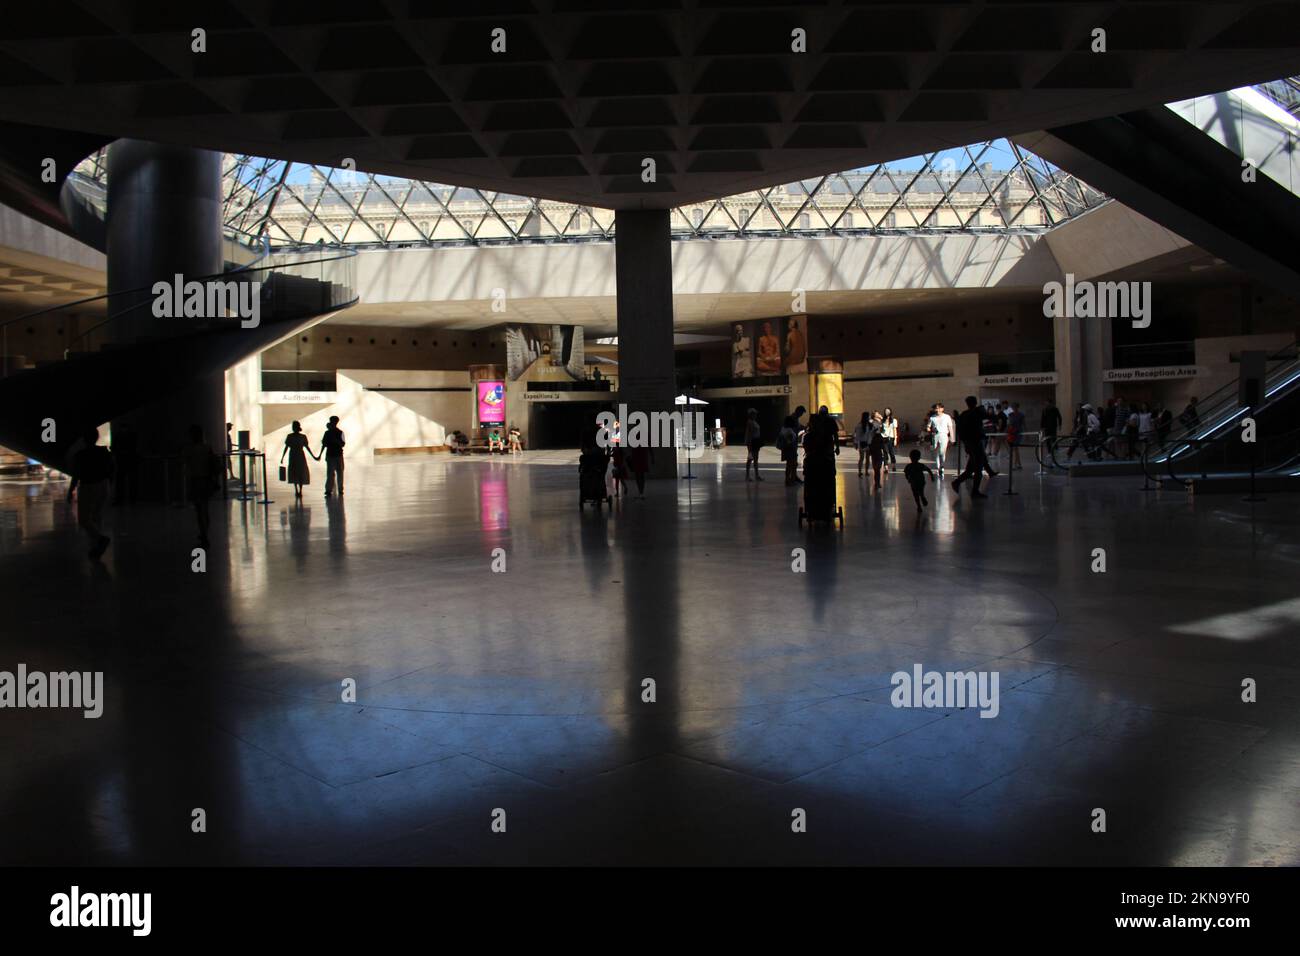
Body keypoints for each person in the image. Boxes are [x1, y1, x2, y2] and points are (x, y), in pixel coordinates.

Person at [67, 425, 113, 560]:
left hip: (88, 486)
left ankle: (99, 540)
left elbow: (76, 474)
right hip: (103, 485)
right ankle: (96, 547)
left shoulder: (81, 455)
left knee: (84, 519)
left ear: (83, 439)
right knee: (97, 516)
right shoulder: (105, 452)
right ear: (97, 437)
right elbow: (112, 468)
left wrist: (71, 490)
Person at [183, 424, 219, 548]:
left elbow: (187, 464)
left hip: (196, 481)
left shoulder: (189, 450)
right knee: (205, 508)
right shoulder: (207, 448)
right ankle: (205, 532)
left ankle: (203, 533)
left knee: (199, 510)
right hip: (206, 481)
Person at [952, 396, 989, 498]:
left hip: (970, 444)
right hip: (976, 444)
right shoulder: (976, 413)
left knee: (971, 468)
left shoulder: (964, 414)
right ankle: (974, 491)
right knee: (977, 468)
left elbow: (960, 429)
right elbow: (988, 418)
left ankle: (958, 482)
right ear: (975, 402)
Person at [280, 420, 316, 498]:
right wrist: (282, 457)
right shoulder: (293, 436)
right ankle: (297, 490)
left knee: (300, 472)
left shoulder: (300, 436)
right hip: (295, 455)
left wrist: (313, 456)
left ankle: (299, 490)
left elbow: (306, 447)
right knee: (295, 472)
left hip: (298, 455)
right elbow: (286, 447)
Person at [320, 416, 345, 497]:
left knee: (331, 473)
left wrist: (320, 454)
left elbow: (324, 444)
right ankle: (339, 489)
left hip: (331, 454)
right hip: (337, 455)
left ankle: (329, 490)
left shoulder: (328, 433)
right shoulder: (340, 432)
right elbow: (343, 444)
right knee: (339, 473)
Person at [931, 401, 955, 475]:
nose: (937, 410)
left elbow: (950, 427)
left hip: (944, 435)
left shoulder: (947, 417)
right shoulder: (932, 418)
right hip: (935, 436)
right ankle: (938, 467)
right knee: (936, 452)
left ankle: (942, 466)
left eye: (938, 408)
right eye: (936, 408)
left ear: (942, 409)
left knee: (942, 451)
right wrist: (931, 429)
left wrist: (952, 437)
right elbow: (928, 427)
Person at [777, 415, 800, 486]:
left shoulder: (783, 429)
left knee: (788, 465)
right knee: (792, 465)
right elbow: (789, 441)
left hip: (785, 449)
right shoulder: (789, 430)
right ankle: (791, 481)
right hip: (790, 449)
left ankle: (787, 479)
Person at [743, 407, 763, 481]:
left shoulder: (754, 422)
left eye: (755, 414)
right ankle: (747, 476)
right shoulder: (750, 422)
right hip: (752, 442)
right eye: (754, 414)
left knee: (756, 458)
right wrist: (750, 445)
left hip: (756, 441)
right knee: (750, 458)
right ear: (750, 415)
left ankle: (757, 475)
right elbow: (750, 434)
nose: (755, 415)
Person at [867, 411, 886, 490]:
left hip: (876, 446)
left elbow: (882, 431)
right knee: (877, 466)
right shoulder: (873, 423)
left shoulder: (879, 423)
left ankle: (877, 482)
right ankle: (877, 482)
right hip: (875, 446)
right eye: (877, 413)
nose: (879, 414)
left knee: (877, 466)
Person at [852, 411, 872, 477]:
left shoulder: (869, 425)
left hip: (868, 443)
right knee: (862, 458)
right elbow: (857, 435)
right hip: (862, 443)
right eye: (868, 416)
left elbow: (871, 433)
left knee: (867, 458)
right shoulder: (860, 425)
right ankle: (860, 471)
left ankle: (866, 471)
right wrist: (856, 443)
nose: (869, 417)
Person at [1006, 402, 1025, 470]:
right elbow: (1008, 424)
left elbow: (1023, 424)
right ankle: (1019, 464)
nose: (1014, 408)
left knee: (1015, 448)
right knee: (1015, 449)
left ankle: (1015, 464)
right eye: (1012, 407)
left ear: (1017, 407)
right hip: (1012, 433)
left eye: (1015, 407)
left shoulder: (1021, 415)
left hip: (1018, 433)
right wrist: (1007, 431)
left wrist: (1026, 433)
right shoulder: (1010, 415)